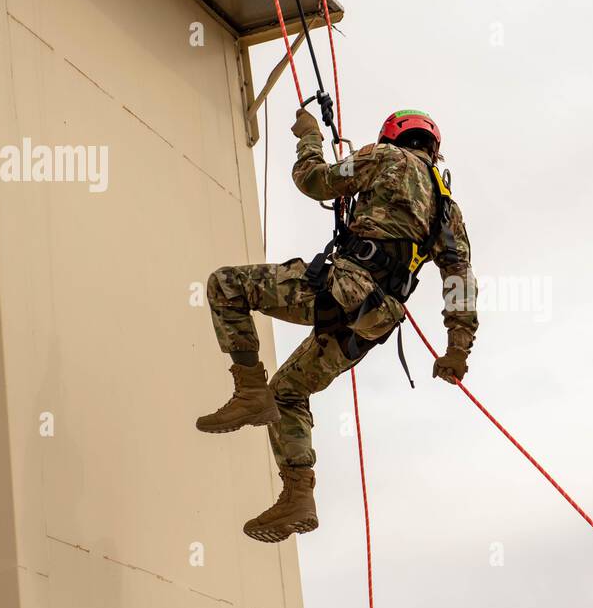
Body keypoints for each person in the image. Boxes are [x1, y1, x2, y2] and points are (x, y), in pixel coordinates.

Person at [196, 108, 478, 542]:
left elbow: (314, 180)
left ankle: (248, 388)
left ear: (392, 137)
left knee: (226, 286)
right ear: (433, 148)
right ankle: (298, 493)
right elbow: (458, 277)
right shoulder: (447, 209)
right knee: (288, 393)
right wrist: (457, 349)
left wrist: (309, 137)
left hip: (341, 290)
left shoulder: (384, 158)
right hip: (369, 326)